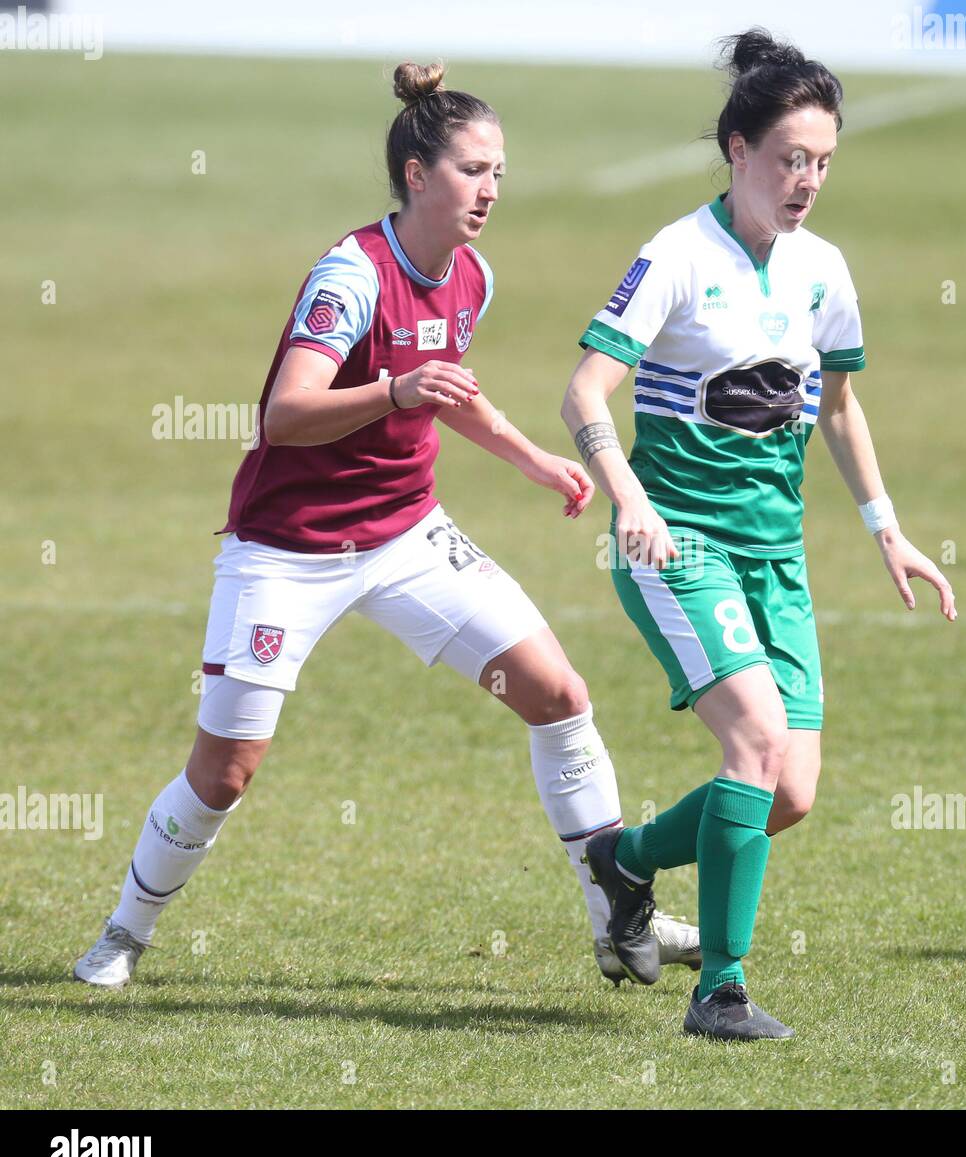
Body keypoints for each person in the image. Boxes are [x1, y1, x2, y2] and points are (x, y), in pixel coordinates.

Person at [73, 60, 698, 990]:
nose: (489, 190)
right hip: (287, 550)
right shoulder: (351, 273)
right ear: (417, 174)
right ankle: (124, 933)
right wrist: (395, 388)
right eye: (472, 170)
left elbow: (448, 392)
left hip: (408, 536)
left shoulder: (471, 276)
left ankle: (617, 917)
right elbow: (285, 414)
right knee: (226, 772)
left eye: (499, 173)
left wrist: (532, 458)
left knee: (559, 695)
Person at [562, 30, 956, 1039]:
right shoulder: (676, 255)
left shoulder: (822, 270)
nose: (806, 180)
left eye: (822, 161)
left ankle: (628, 860)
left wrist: (886, 529)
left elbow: (838, 408)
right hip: (674, 540)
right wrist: (629, 498)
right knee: (752, 740)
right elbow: (584, 388)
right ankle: (719, 989)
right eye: (790, 157)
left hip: (775, 555)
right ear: (738, 149)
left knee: (789, 791)